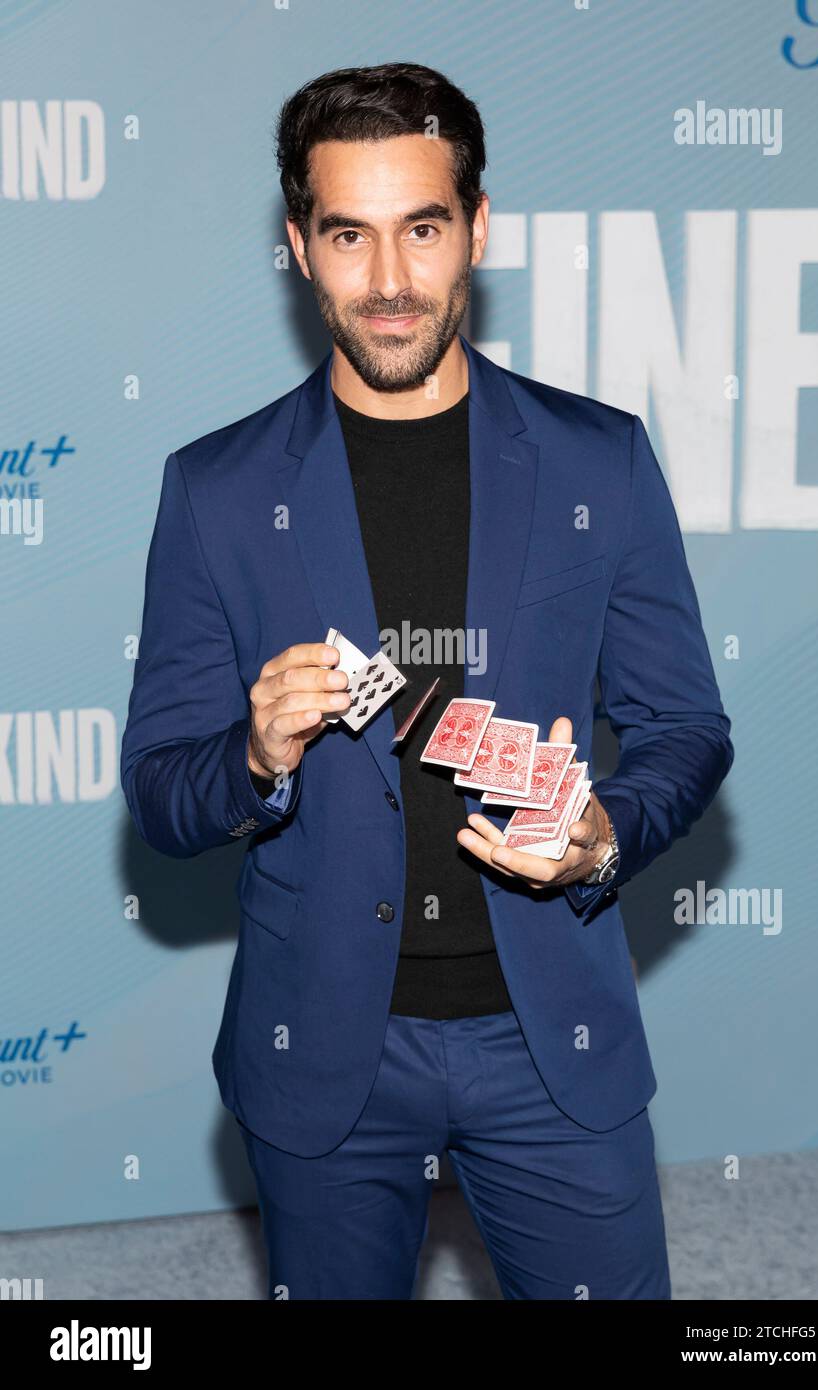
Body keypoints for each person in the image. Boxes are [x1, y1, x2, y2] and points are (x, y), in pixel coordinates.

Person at [120, 61, 733, 1301]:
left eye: (422, 229)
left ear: (477, 232)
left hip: (548, 1028)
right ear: (298, 246)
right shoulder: (218, 491)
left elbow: (685, 728)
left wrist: (602, 828)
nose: (390, 282)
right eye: (349, 235)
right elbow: (161, 793)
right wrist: (252, 756)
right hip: (324, 1041)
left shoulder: (597, 460)